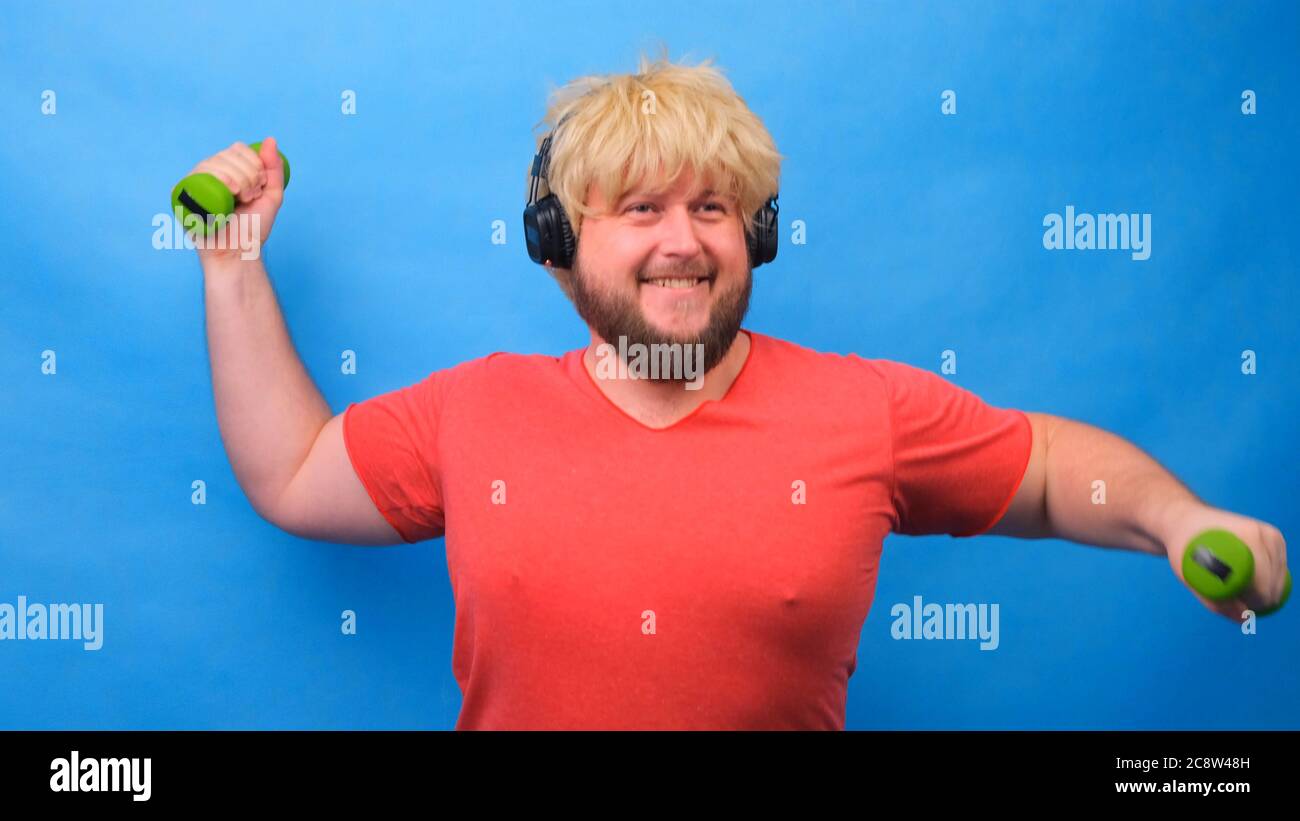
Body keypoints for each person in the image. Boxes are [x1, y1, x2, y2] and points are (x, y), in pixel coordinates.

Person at [185, 52, 1289, 730]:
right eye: (641, 209)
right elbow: (293, 475)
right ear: (559, 243)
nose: (683, 241)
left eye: (714, 208)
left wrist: (1177, 516)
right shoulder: (473, 412)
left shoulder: (865, 410)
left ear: (754, 234)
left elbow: (1048, 471)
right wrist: (231, 265)